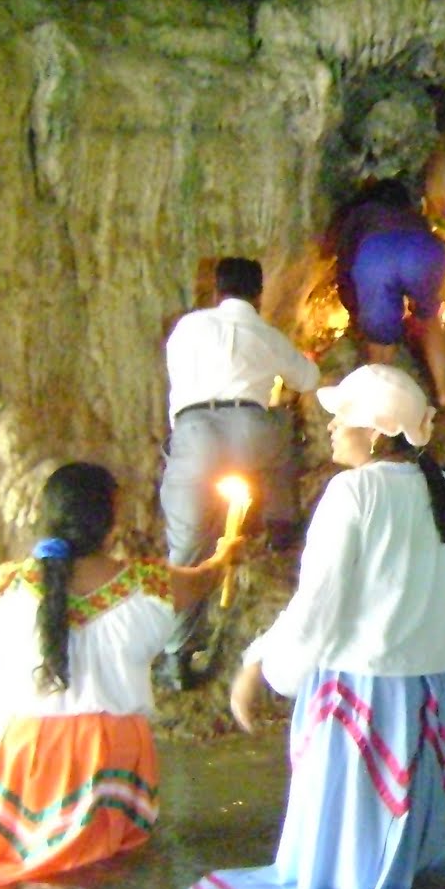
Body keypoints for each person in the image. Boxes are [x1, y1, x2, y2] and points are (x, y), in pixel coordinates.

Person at [0, 462, 239, 889]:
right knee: (93, 874)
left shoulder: (6, 583)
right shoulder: (149, 582)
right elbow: (204, 581)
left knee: (22, 864)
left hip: (18, 745)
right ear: (110, 521)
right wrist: (225, 553)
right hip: (104, 749)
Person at [186, 364, 445, 889]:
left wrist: (261, 666)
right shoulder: (444, 490)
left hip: (365, 689)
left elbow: (319, 602)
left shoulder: (354, 491)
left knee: (349, 842)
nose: (331, 427)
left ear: (375, 431)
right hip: (430, 687)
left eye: (342, 418)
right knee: (405, 841)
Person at [159, 255, 322, 689]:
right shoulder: (266, 334)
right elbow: (308, 378)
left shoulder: (187, 328)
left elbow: (177, 376)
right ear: (259, 295)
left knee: (187, 544)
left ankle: (178, 654)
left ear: (215, 291)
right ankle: (282, 523)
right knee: (283, 429)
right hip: (251, 433)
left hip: (195, 434)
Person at [328, 179, 445, 406]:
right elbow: (444, 250)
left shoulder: (359, 215)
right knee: (431, 320)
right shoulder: (413, 216)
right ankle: (444, 392)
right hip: (427, 250)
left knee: (380, 341)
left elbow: (346, 266)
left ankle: (381, 405)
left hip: (378, 255)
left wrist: (357, 313)